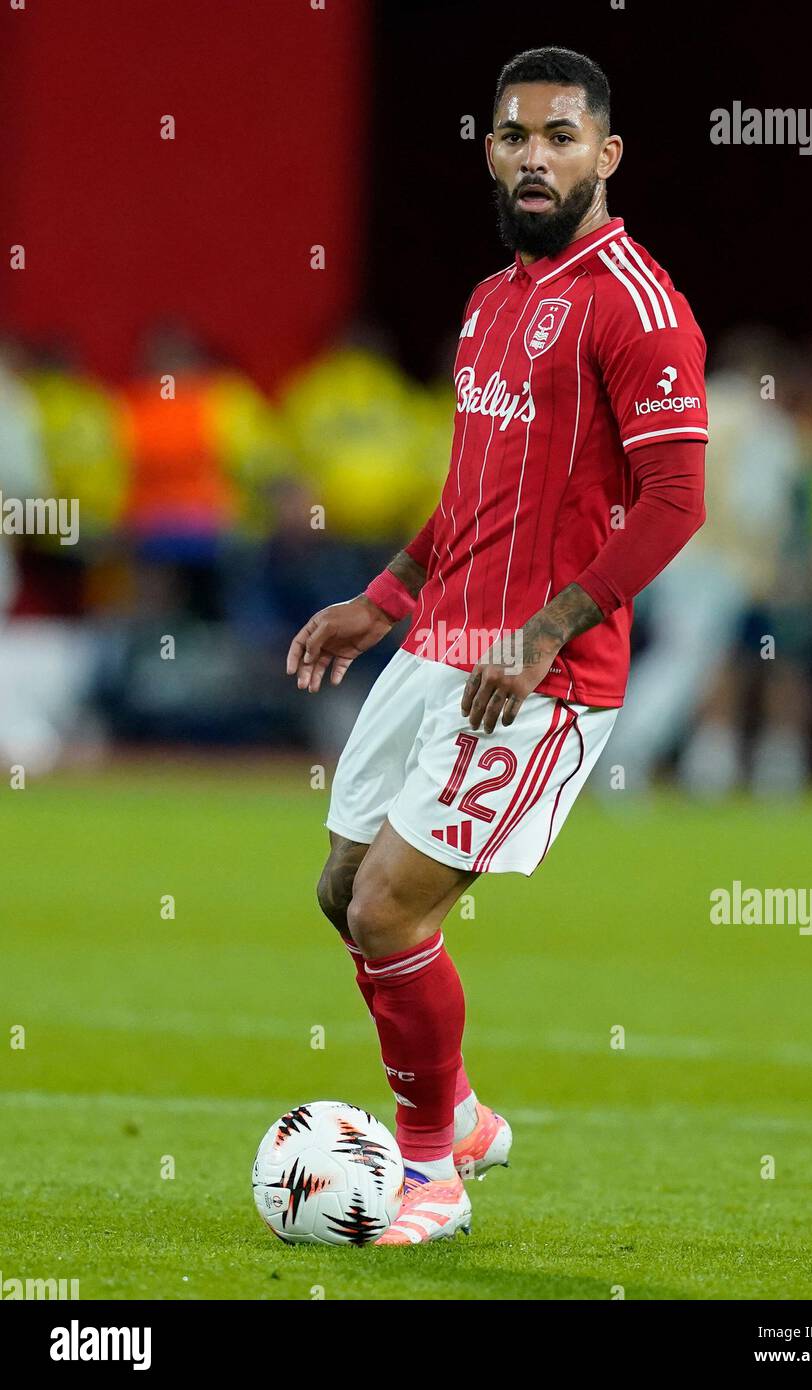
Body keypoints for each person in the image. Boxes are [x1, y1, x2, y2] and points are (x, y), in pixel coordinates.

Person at [286, 47, 708, 1244]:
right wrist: (389, 592)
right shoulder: (492, 297)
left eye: (561, 137)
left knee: (387, 911)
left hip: (540, 672)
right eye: (516, 136)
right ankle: (458, 1110)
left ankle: (431, 1175)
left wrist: (545, 632)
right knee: (340, 891)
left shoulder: (637, 304)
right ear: (490, 149)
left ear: (606, 155)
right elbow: (477, 481)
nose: (536, 156)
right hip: (443, 644)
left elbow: (676, 500)